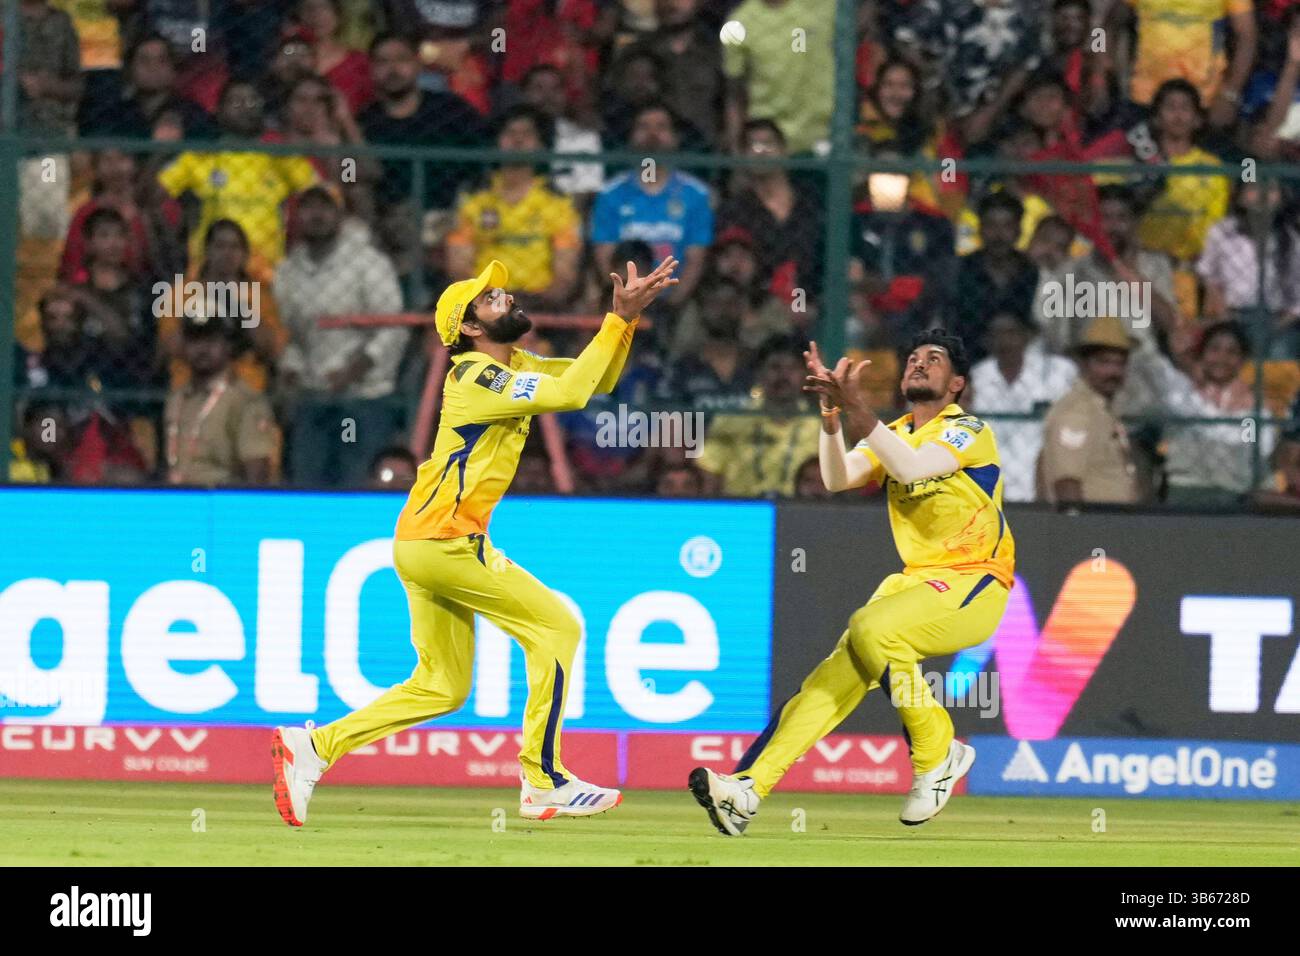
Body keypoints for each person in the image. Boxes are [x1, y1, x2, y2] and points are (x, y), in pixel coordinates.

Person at [271, 254, 680, 827]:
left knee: (441, 685)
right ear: (469, 328)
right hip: (444, 539)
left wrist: (625, 320)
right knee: (558, 628)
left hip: (426, 539)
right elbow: (568, 395)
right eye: (491, 300)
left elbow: (596, 379)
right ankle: (543, 780)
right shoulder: (474, 375)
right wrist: (614, 322)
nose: (507, 299)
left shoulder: (516, 364)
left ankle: (314, 748)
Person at [690, 330, 1014, 832]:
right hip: (916, 582)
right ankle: (747, 790)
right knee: (832, 677)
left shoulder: (968, 430)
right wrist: (831, 415)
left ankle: (937, 749)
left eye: (934, 360)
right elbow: (837, 478)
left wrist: (858, 406)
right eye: (913, 358)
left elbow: (909, 470)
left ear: (957, 383)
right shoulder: (898, 431)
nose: (919, 364)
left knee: (871, 628)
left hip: (975, 582)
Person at [273, 187, 407, 488]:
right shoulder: (288, 270)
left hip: (363, 396)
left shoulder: (368, 263)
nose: (317, 215)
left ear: (340, 215)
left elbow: (394, 325)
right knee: (307, 485)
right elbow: (292, 335)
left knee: (357, 484)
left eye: (325, 208)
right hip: (314, 393)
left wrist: (356, 367)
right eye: (308, 208)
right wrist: (291, 369)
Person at [967, 310, 1078, 502]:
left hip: (1042, 481)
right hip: (991, 485)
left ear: (1026, 336)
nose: (1004, 341)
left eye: (1011, 333)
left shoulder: (1056, 372)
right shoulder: (978, 378)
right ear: (986, 341)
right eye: (996, 334)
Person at [164, 313, 278, 486]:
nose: (202, 349)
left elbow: (257, 473)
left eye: (211, 341)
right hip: (176, 497)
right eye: (195, 341)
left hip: (221, 498)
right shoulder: (177, 398)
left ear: (228, 346)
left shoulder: (245, 401)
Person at [1039, 315, 1143, 504]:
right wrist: (1078, 530)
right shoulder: (1077, 412)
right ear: (1084, 364)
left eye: (1120, 363)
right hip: (1092, 527)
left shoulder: (1102, 410)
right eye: (1104, 362)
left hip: (1110, 525)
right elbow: (1067, 483)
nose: (1113, 372)